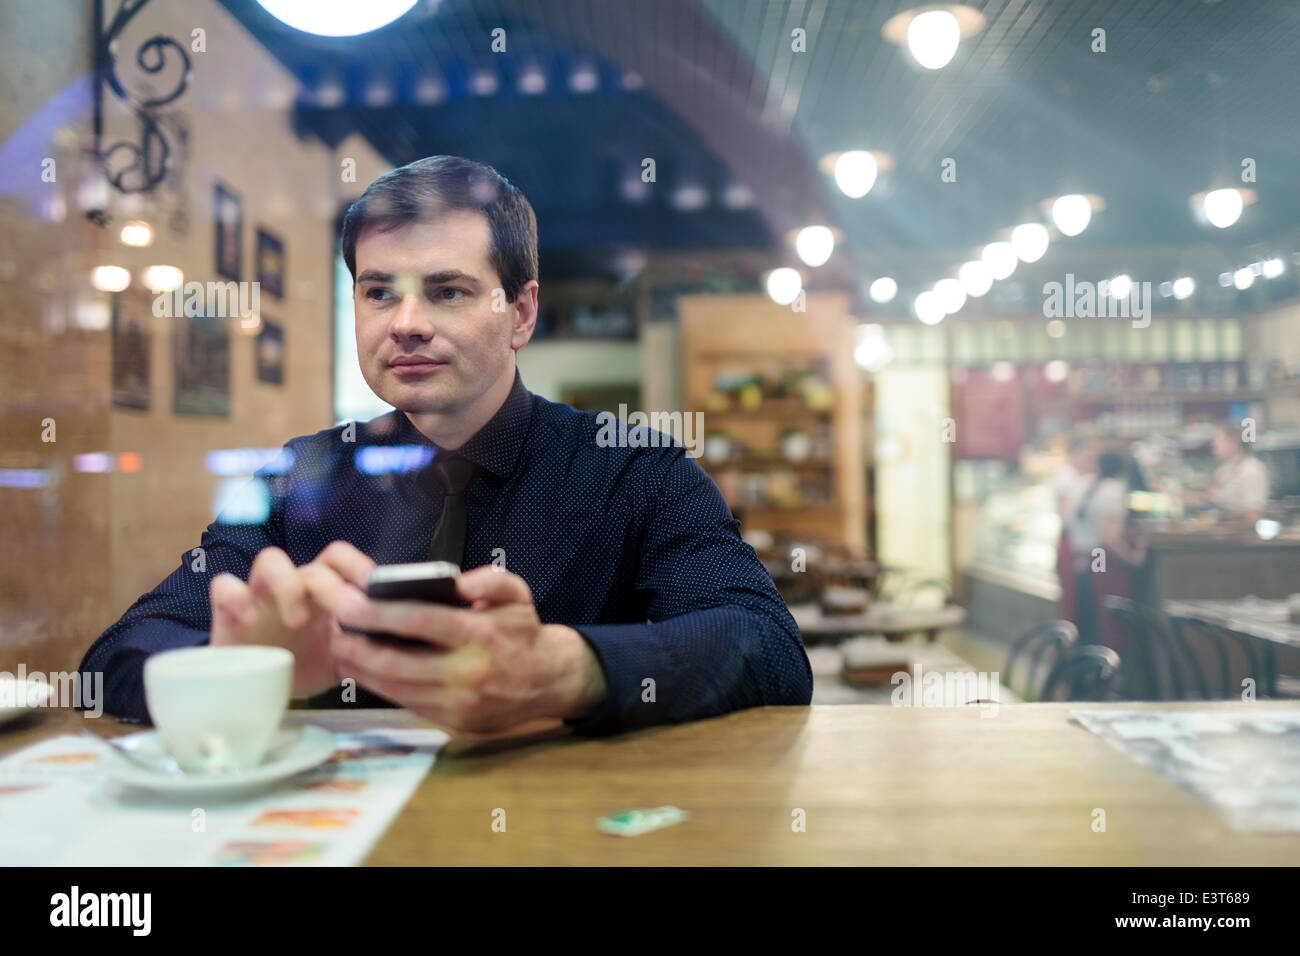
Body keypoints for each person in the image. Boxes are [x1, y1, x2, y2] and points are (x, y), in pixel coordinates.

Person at [78, 155, 812, 736]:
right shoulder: (298, 477)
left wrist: (565, 670)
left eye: (447, 291)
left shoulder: (634, 470)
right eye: (378, 292)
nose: (405, 323)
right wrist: (233, 667)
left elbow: (767, 647)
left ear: (520, 311)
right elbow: (113, 657)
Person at [1069, 450, 1147, 652]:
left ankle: (1089, 663)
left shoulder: (1085, 485)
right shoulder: (1113, 490)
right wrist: (1132, 558)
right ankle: (1107, 663)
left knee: (1090, 611)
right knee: (1107, 613)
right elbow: (1106, 536)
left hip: (1084, 558)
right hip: (1101, 556)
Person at [1051, 436, 1095, 622]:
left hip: (1085, 546)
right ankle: (1070, 644)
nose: (1092, 459)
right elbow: (1068, 517)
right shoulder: (1065, 476)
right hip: (1070, 543)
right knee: (1071, 597)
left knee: (1086, 595)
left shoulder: (1085, 478)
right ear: (1076, 453)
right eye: (1089, 454)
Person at [1201, 423, 1270, 524]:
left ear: (1233, 441)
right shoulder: (1224, 470)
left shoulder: (1252, 470)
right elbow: (1210, 498)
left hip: (1240, 537)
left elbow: (1253, 515)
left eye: (1218, 438)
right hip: (1220, 533)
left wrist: (1221, 515)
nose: (1214, 444)